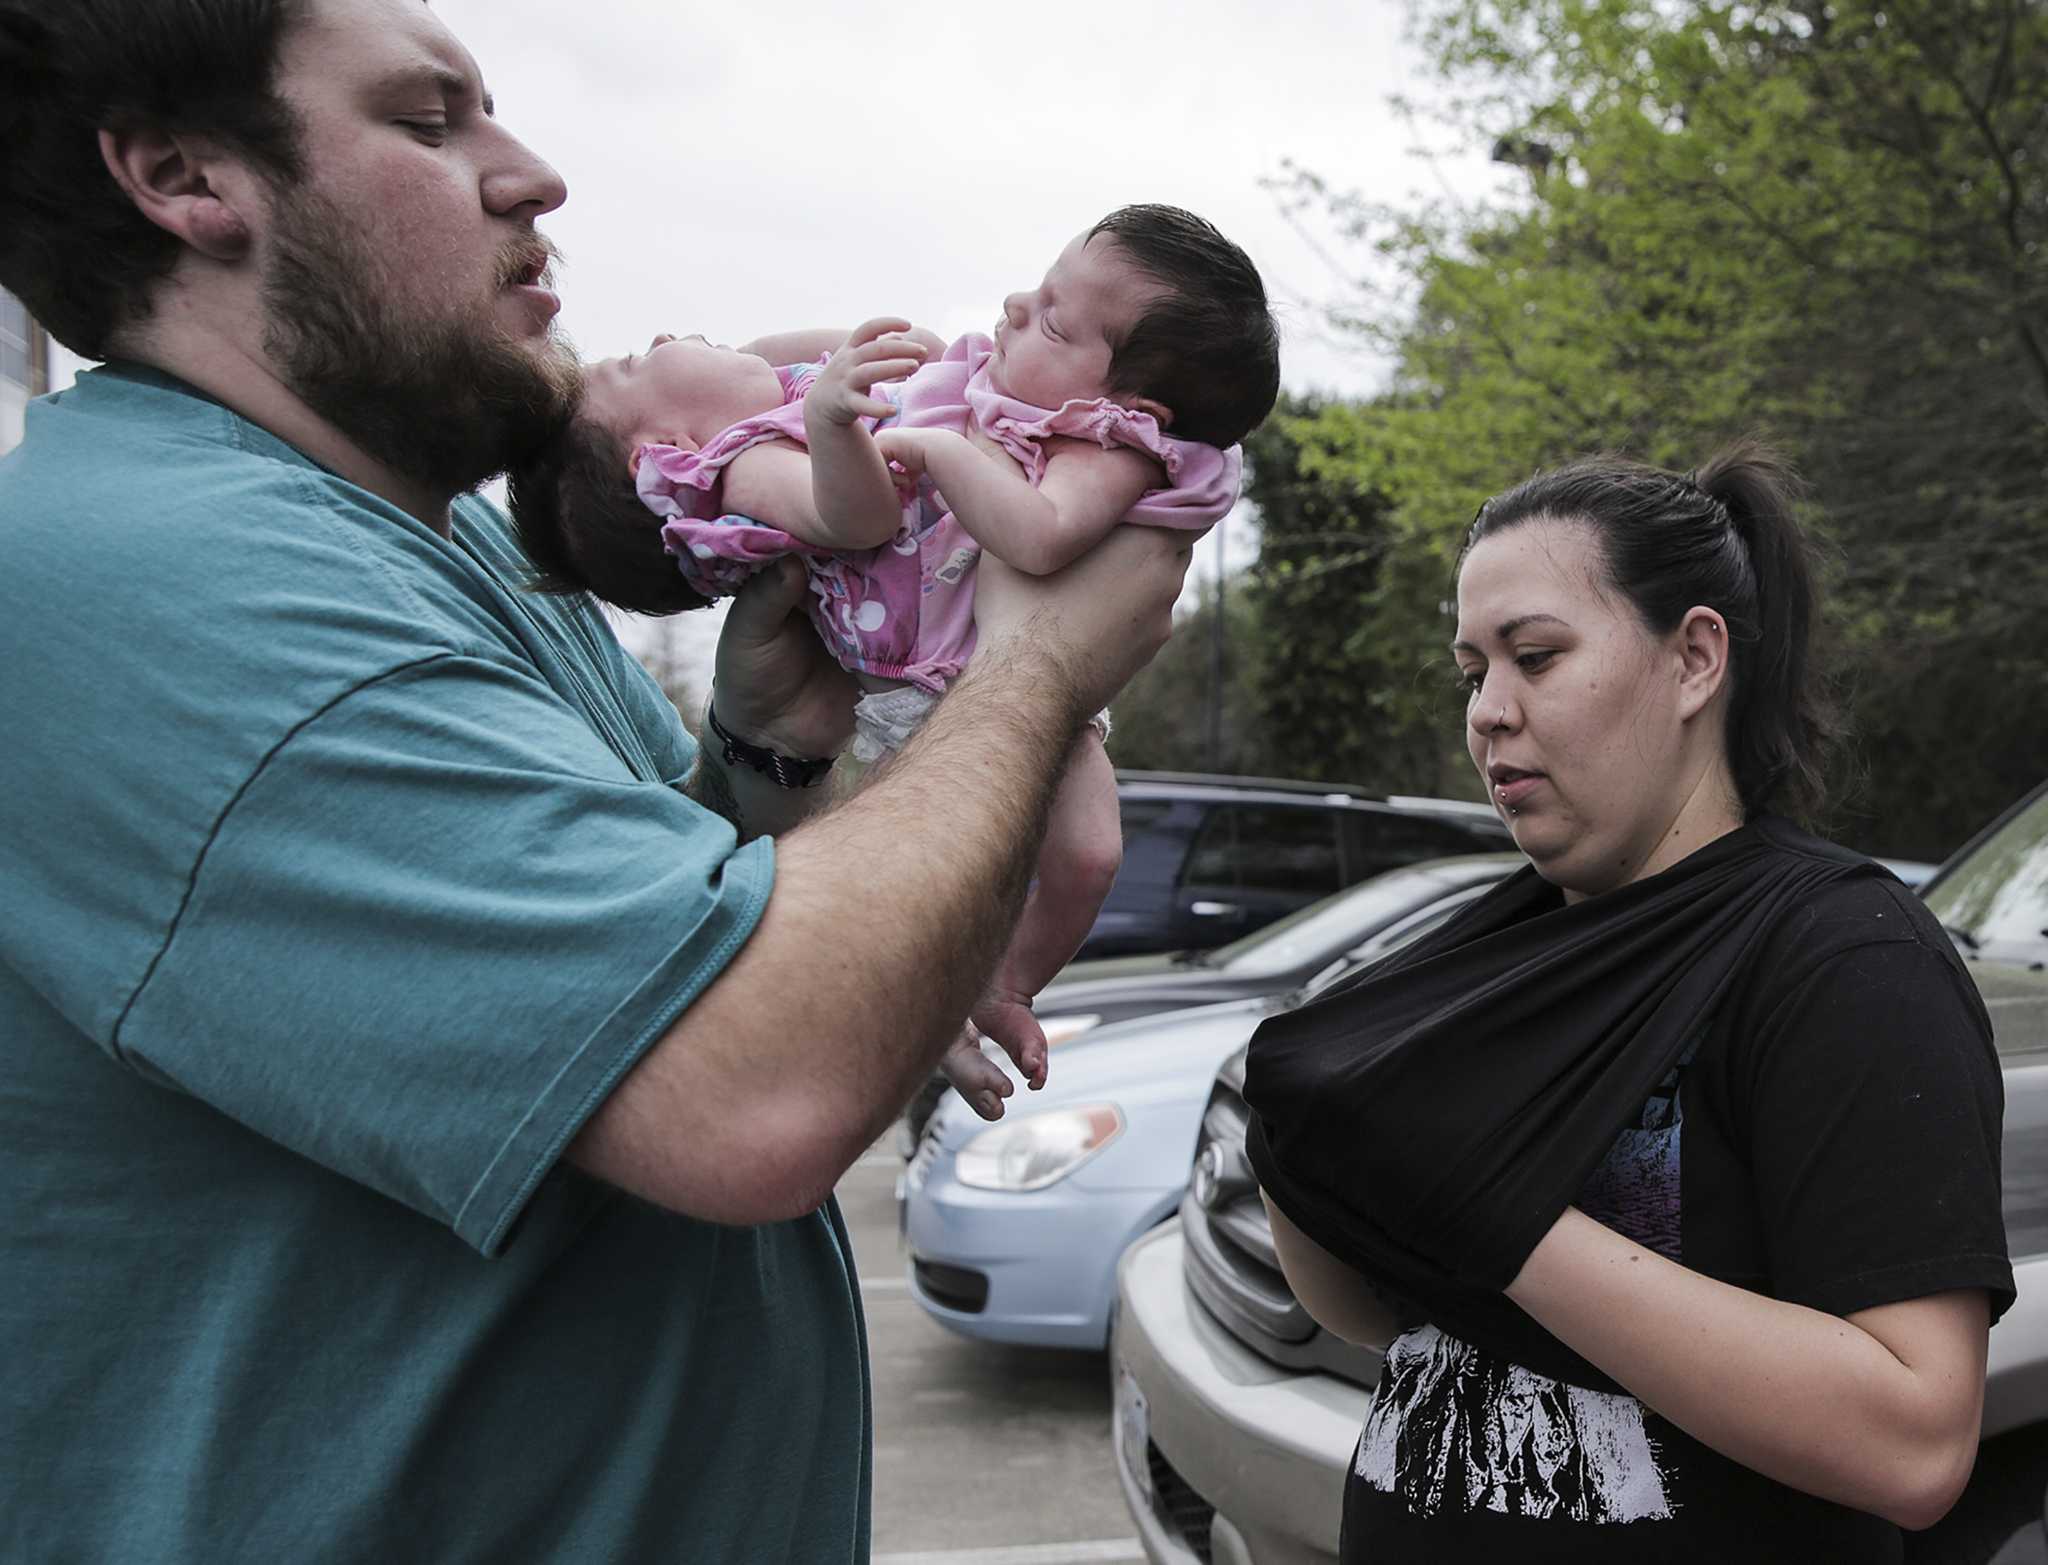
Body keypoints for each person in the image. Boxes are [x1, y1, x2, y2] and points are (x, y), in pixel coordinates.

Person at [0, 0, 1192, 1559]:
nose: (535, 173)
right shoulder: (175, 582)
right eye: (431, 123)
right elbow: (750, 1090)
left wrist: (766, 747)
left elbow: (667, 941)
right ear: (182, 177)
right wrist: (1036, 668)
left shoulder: (442, 551)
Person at [1244, 446, 2012, 1561]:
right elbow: (1390, 1315)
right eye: (1471, 671)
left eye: (1535, 657)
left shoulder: (1840, 954)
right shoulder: (1501, 944)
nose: (1487, 714)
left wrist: (1498, 1217)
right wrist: (1295, 1153)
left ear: (1695, 657)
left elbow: (1912, 1442)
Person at [505, 212, 1278, 1116]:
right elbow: (857, 520)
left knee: (1091, 853)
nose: (670, 335)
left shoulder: (792, 388)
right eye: (642, 360)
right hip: (940, 685)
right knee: (1034, 863)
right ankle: (974, 990)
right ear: (662, 456)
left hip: (1013, 657)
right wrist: (869, 425)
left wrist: (876, 374)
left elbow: (866, 350)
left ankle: (1003, 983)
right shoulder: (739, 465)